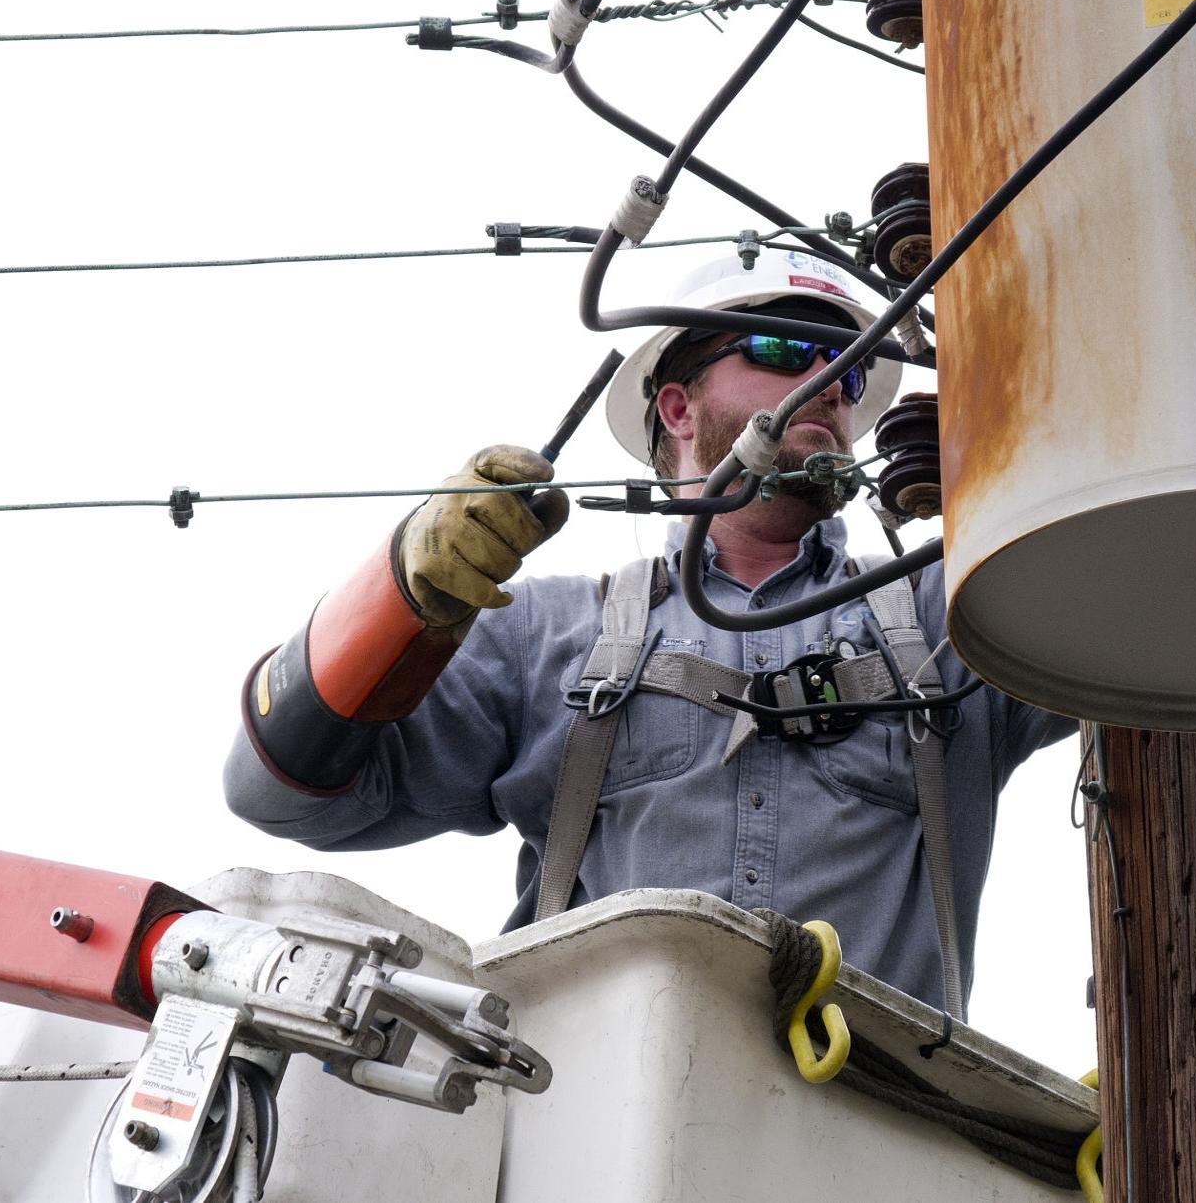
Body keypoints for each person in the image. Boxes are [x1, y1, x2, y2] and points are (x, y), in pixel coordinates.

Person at [224, 250, 1074, 1016]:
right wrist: (399, 591)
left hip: (871, 1144)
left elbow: (1163, 597)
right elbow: (277, 794)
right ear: (677, 405)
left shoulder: (942, 617)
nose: (828, 376)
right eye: (782, 348)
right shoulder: (546, 637)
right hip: (607, 1141)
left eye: (847, 373)